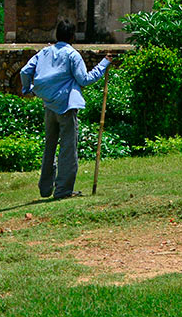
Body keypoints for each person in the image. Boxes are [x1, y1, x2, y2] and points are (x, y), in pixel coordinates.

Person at [19, 19, 116, 200]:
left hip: (48, 105)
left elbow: (25, 71)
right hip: (66, 106)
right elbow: (84, 79)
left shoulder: (45, 52)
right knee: (67, 149)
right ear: (72, 36)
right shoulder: (72, 54)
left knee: (50, 146)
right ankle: (63, 190)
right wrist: (104, 64)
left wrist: (27, 89)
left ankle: (46, 188)